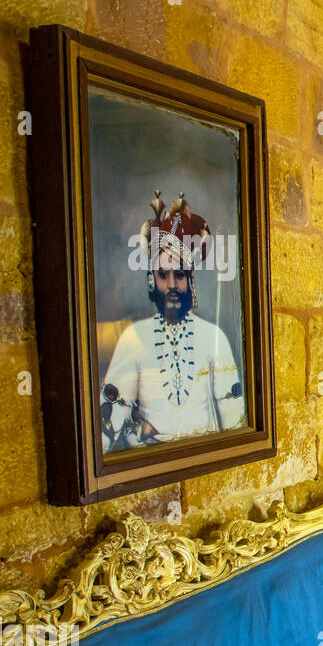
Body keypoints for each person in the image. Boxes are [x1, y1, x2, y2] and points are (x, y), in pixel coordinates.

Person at [100, 191, 245, 451]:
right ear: (151, 280)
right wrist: (137, 431)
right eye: (163, 275)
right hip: (149, 469)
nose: (172, 285)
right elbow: (108, 425)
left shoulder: (213, 337)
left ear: (190, 282)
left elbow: (235, 422)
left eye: (179, 275)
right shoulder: (134, 338)